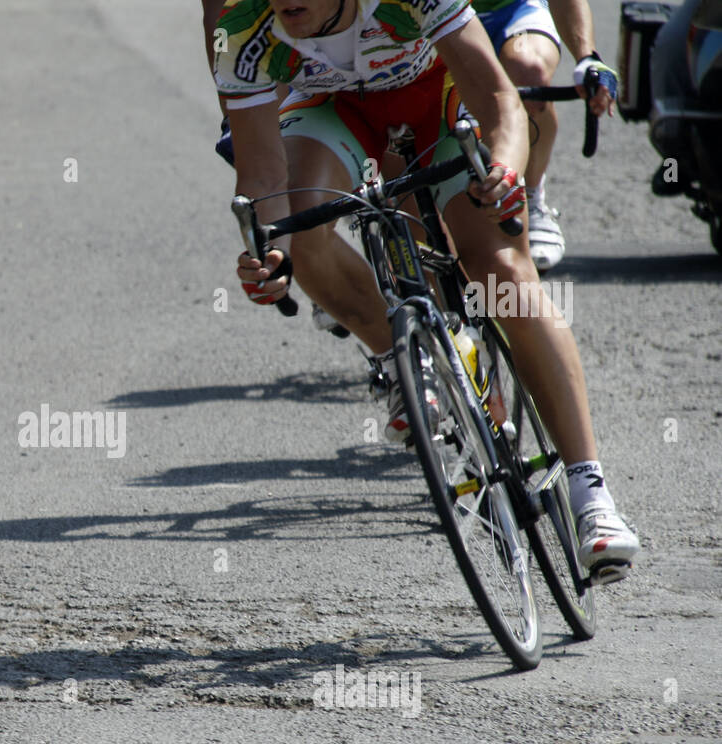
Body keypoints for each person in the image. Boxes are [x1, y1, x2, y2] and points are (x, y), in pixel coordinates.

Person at [213, 0, 639, 579]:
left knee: (502, 275)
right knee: (306, 230)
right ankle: (403, 357)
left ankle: (592, 493)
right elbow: (264, 180)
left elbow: (497, 99)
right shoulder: (244, 33)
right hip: (330, 110)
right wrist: (271, 254)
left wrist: (508, 172)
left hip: (435, 96)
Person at [473, 0, 618, 269]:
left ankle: (530, 195)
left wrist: (587, 58)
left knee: (530, 72)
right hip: (429, 18)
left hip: (510, 9)